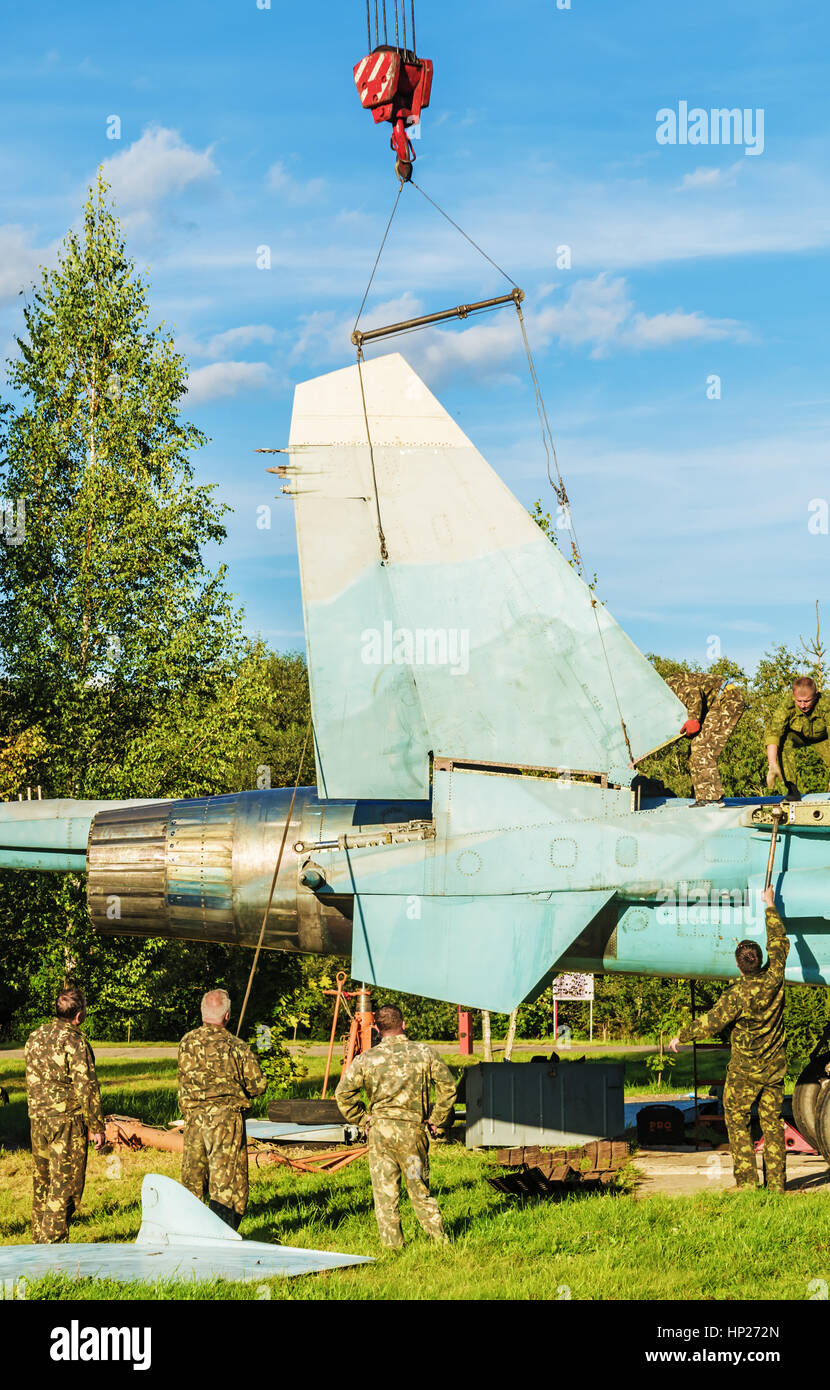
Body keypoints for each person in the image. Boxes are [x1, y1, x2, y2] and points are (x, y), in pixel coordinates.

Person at [668, 886, 790, 1192]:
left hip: (746, 1070)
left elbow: (709, 1023)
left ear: (739, 965)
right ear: (759, 960)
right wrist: (770, 906)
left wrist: (680, 1036)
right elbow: (779, 942)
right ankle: (776, 1185)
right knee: (772, 1122)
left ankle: (747, 1182)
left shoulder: (737, 995)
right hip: (775, 1069)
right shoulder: (775, 977)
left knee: (736, 1118)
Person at [335, 1004, 456, 1250]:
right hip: (412, 1133)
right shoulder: (424, 1053)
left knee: (385, 1194)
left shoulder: (366, 1059)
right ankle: (440, 1242)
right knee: (419, 1188)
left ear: (377, 1029)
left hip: (380, 1135)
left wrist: (362, 1119)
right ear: (404, 1024)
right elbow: (448, 1087)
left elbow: (343, 1094)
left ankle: (393, 1247)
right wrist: (436, 1118)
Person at [178, 988, 267, 1230]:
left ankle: (189, 1230)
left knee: (193, 1180)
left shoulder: (187, 1042)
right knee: (227, 1183)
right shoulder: (236, 1046)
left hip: (194, 1120)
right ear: (227, 1015)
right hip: (226, 1121)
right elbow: (258, 1086)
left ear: (202, 1013)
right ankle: (221, 1233)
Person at [24, 985, 105, 1243]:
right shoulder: (75, 1040)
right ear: (79, 1015)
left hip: (38, 1121)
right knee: (66, 1186)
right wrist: (97, 1127)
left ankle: (38, 1241)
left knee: (43, 1184)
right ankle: (53, 1249)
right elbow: (87, 1087)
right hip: (67, 1122)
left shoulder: (35, 1036)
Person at [665, 671, 746, 807]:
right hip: (720, 701)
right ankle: (704, 796)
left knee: (701, 746)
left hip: (727, 699)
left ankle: (710, 798)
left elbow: (694, 694)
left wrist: (693, 719)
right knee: (695, 750)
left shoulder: (669, 684)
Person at [765, 675, 830, 801]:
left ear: (816, 695)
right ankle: (792, 790)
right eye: (799, 701)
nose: (803, 705)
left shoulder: (826, 704)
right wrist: (772, 764)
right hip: (798, 736)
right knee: (783, 740)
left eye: (807, 701)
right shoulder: (787, 705)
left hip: (823, 738)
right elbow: (773, 733)